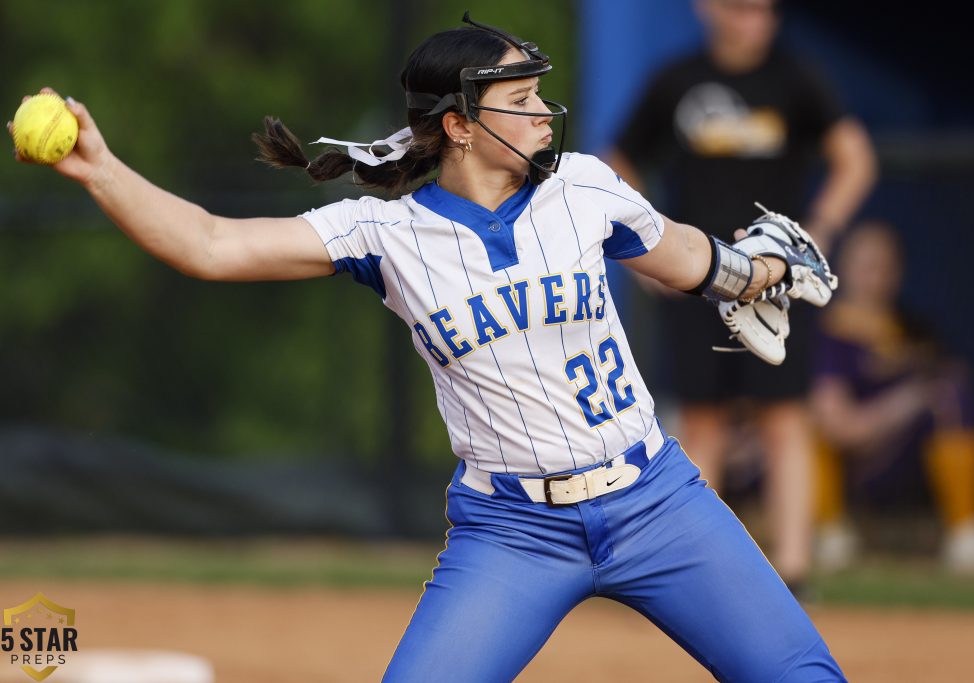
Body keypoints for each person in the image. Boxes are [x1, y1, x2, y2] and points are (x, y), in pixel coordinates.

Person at [10, 14, 847, 682]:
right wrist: (102, 170)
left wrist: (768, 265)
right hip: (514, 532)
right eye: (517, 99)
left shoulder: (585, 187)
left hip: (656, 502)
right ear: (459, 125)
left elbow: (696, 261)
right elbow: (210, 244)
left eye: (536, 94)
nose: (540, 111)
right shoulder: (385, 231)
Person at [606, 0, 877, 591]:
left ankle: (793, 571)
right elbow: (618, 161)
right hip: (702, 280)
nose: (756, 19)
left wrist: (817, 234)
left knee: (785, 419)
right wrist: (651, 255)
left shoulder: (796, 77)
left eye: (766, 10)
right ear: (708, 9)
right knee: (703, 423)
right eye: (743, 8)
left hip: (776, 282)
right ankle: (696, 573)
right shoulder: (677, 80)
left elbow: (855, 160)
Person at [811, 221, 974, 574]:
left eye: (884, 267)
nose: (875, 277)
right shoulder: (829, 332)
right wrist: (906, 401)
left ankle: (966, 533)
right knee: (801, 420)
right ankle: (829, 531)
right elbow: (840, 426)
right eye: (865, 266)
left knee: (950, 392)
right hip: (853, 464)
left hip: (908, 460)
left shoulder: (915, 330)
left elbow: (952, 390)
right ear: (842, 270)